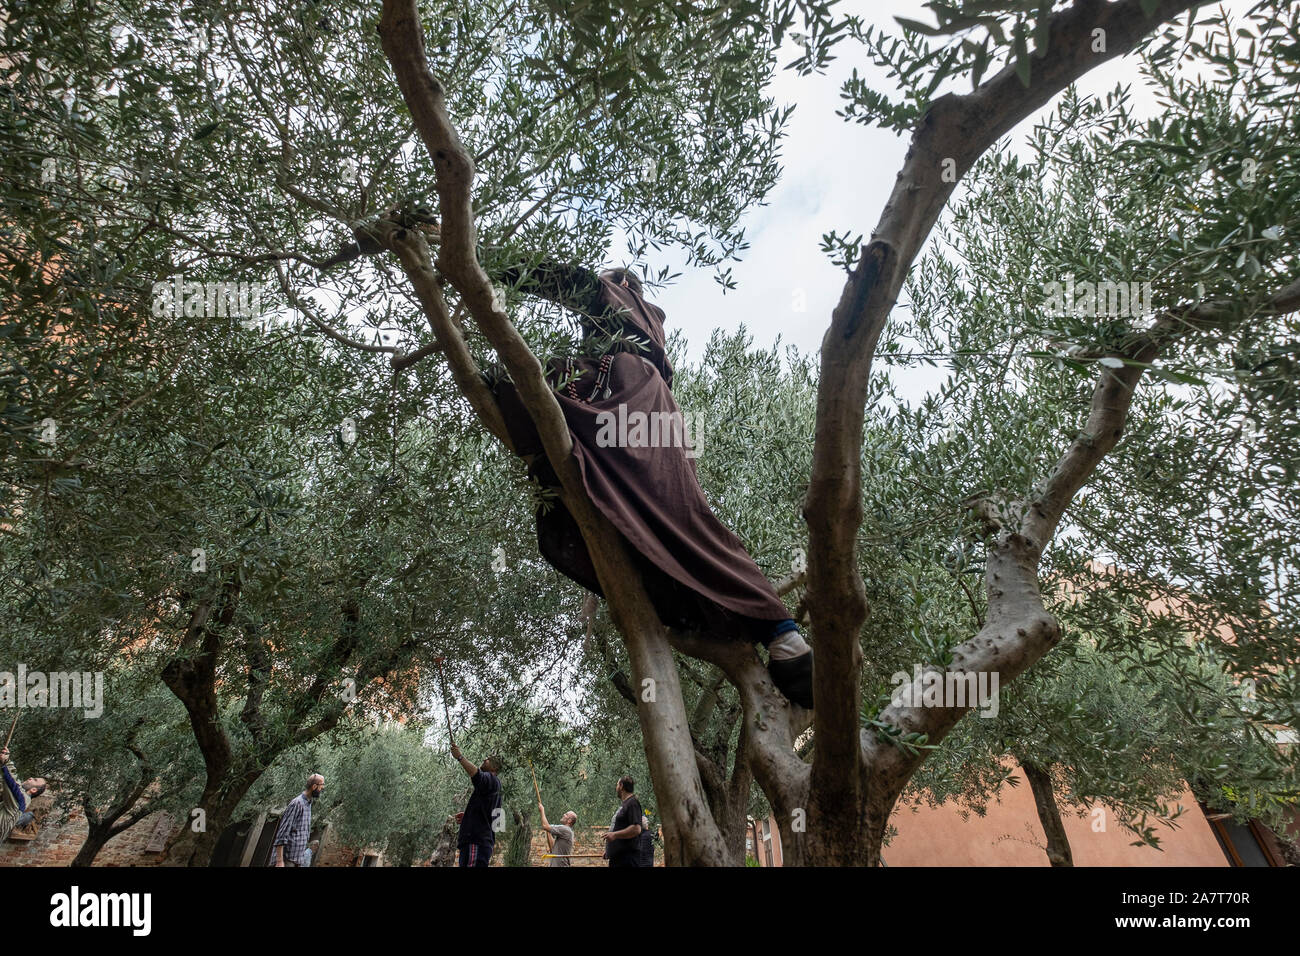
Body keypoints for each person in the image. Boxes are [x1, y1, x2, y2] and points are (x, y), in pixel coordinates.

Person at [483, 260, 814, 709]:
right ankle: (780, 633)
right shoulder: (653, 322)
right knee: (685, 518)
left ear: (620, 282)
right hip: (661, 416)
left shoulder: (616, 296)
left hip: (623, 390)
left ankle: (555, 468)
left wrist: (491, 264)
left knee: (509, 384)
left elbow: (566, 280)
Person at [451, 744, 502, 867]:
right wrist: (469, 816)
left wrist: (460, 757)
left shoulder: (491, 780)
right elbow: (496, 820)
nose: (485, 759)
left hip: (476, 842)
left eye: (488, 759)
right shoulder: (494, 787)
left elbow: (477, 775)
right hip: (479, 843)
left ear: (494, 767)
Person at [267, 773, 323, 867]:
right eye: (322, 786)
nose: (322, 789)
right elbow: (282, 833)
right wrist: (280, 861)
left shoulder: (308, 804)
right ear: (314, 786)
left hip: (295, 861)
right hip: (286, 860)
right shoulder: (297, 803)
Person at [0, 747, 45, 841]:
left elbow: (12, 783)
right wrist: (6, 760)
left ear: (33, 790)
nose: (31, 777)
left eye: (35, 780)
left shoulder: (22, 800)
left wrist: (5, 763)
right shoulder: (20, 797)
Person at [602, 775, 643, 868]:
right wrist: (610, 849)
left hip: (627, 859)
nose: (616, 788)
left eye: (617, 785)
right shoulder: (626, 804)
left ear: (621, 786)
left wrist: (614, 835)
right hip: (619, 857)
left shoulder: (632, 803)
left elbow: (636, 829)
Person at [538, 803, 577, 868]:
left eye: (566, 814)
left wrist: (542, 810)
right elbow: (552, 847)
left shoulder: (565, 829)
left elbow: (545, 826)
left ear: (569, 821)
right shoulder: (565, 832)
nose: (564, 814)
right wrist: (548, 830)